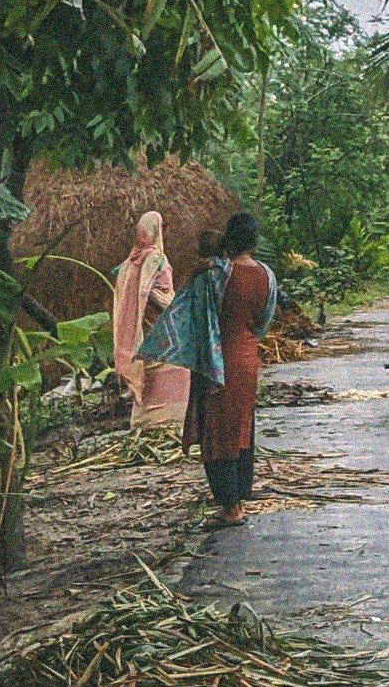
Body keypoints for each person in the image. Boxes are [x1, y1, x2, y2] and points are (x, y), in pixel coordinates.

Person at [188, 209, 275, 523]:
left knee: (218, 432)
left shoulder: (214, 275)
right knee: (241, 429)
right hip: (249, 359)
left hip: (217, 360)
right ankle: (238, 500)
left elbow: (196, 319)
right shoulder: (267, 275)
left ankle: (230, 507)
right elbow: (264, 322)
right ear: (253, 241)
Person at [110, 206, 184, 428]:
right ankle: (170, 418)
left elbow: (123, 281)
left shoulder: (130, 262)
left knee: (150, 365)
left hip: (144, 323)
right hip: (161, 322)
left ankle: (145, 419)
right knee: (174, 367)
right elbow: (157, 293)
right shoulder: (156, 259)